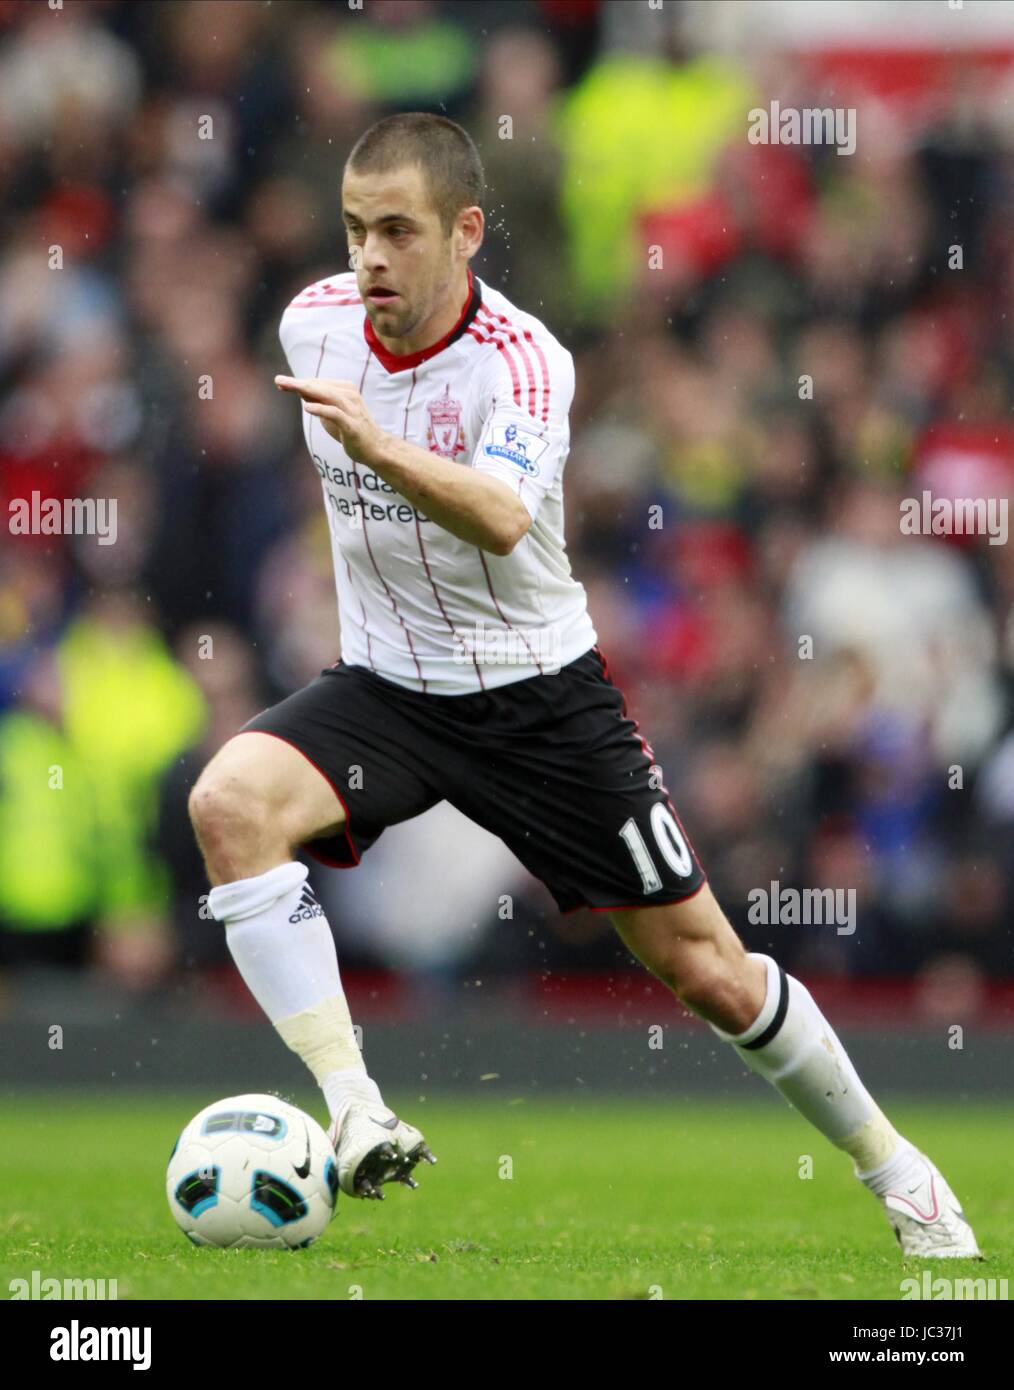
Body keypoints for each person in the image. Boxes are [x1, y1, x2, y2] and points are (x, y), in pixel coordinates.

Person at [188, 113, 977, 1256]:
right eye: (355, 229)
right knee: (229, 804)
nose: (369, 258)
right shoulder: (311, 326)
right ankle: (355, 1107)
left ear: (466, 232)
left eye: (398, 231)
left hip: (536, 700)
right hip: (388, 690)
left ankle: (898, 1170)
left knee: (707, 971)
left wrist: (377, 450)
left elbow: (505, 518)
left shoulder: (525, 361)